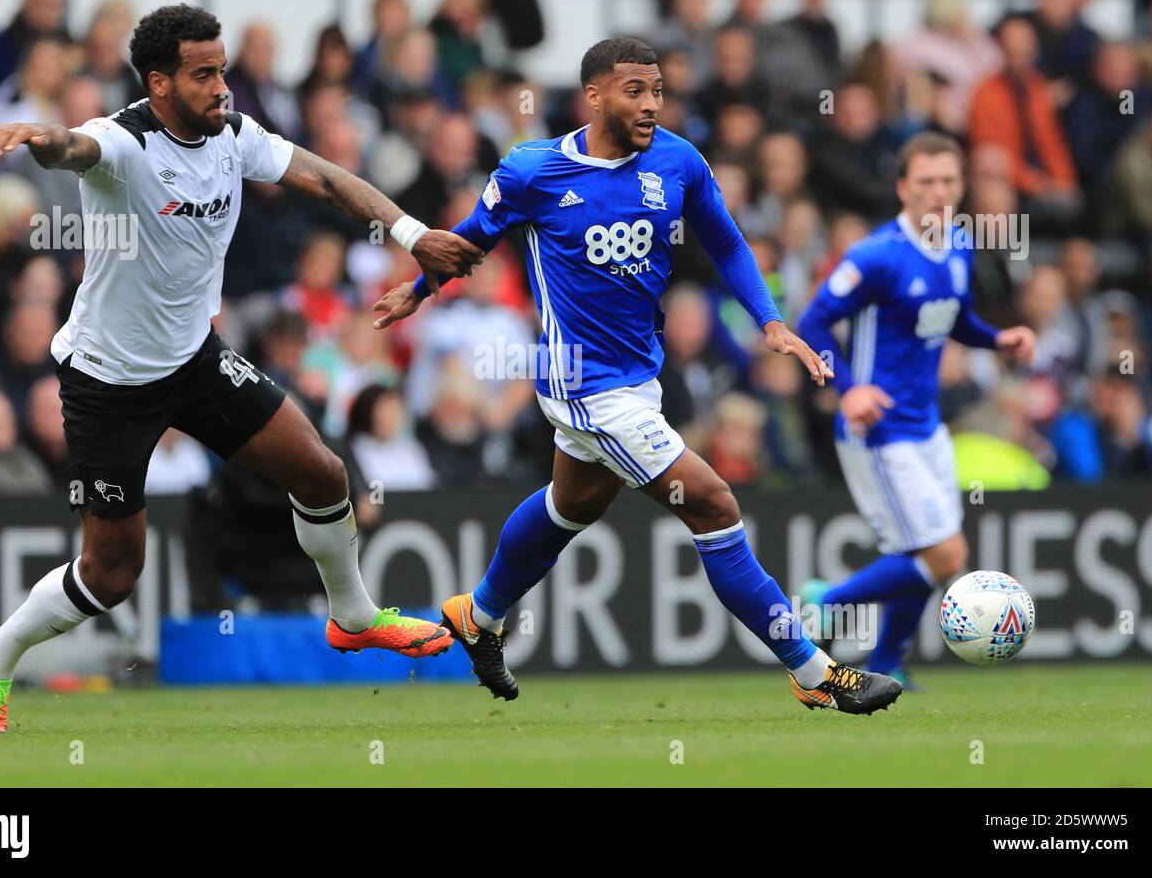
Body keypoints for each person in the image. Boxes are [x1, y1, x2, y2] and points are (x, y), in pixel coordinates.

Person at [0, 4, 485, 736]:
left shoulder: (235, 135)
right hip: (108, 381)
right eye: (203, 75)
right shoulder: (126, 141)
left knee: (325, 474)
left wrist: (413, 232)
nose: (221, 87)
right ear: (160, 82)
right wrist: (41, 139)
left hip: (194, 360)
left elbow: (329, 179)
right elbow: (72, 148)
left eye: (223, 70)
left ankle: (353, 618)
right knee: (112, 573)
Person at [373, 37, 902, 714]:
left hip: (636, 376)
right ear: (594, 96)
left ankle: (477, 613)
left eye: (656, 89)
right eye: (634, 90)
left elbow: (725, 239)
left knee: (574, 505)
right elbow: (473, 237)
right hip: (582, 383)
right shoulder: (534, 170)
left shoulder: (678, 160)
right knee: (714, 506)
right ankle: (813, 669)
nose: (651, 103)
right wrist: (418, 290)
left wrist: (769, 320)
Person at [796, 132, 1037, 687]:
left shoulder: (957, 243)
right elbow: (811, 323)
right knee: (946, 553)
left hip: (927, 426)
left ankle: (886, 666)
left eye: (948, 181)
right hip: (878, 429)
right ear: (904, 187)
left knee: (930, 554)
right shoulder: (876, 256)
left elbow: (956, 320)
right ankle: (823, 601)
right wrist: (849, 387)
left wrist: (999, 341)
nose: (938, 192)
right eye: (926, 181)